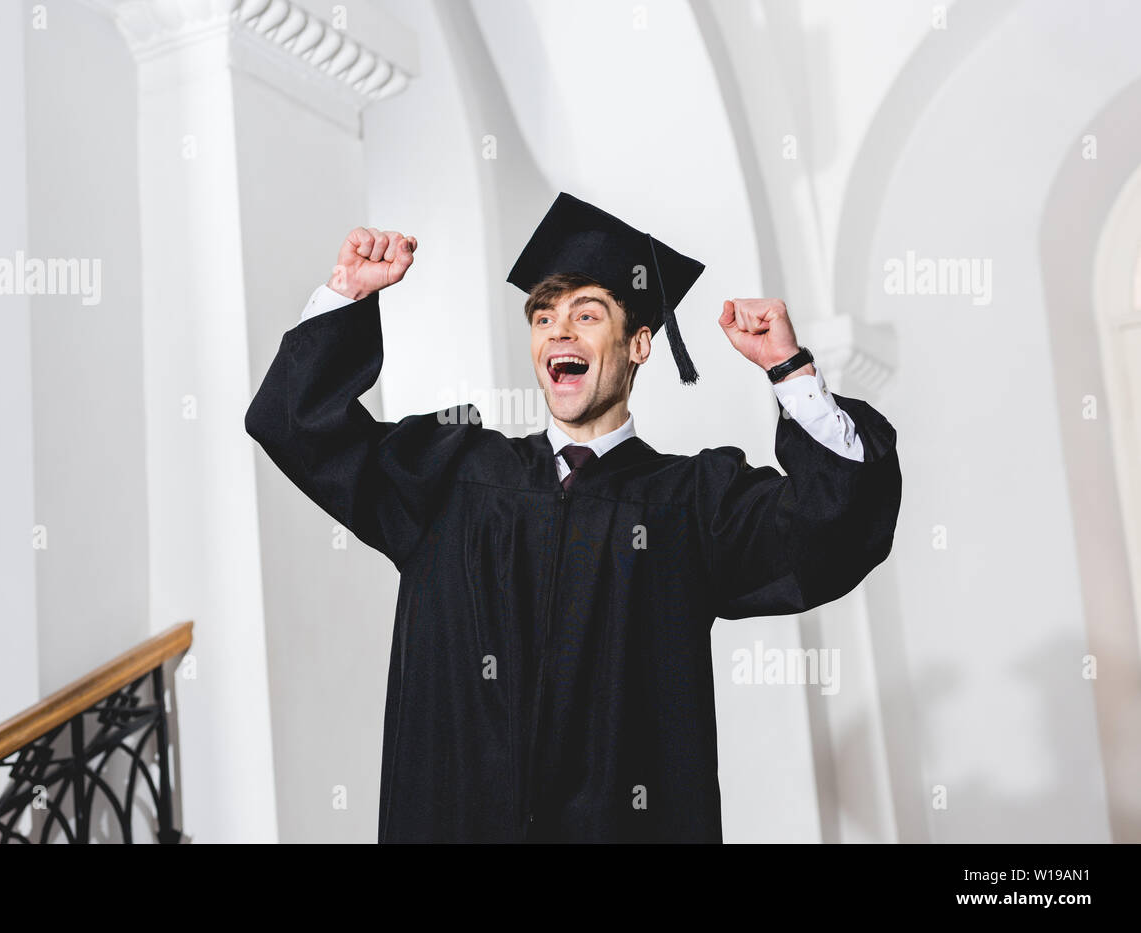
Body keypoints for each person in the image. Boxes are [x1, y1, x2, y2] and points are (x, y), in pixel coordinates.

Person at [246, 191, 902, 842]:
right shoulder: (452, 478)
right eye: (543, 317)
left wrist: (790, 371)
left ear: (639, 343)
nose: (558, 330)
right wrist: (346, 292)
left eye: (586, 315)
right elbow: (297, 426)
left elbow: (837, 521)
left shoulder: (692, 504)